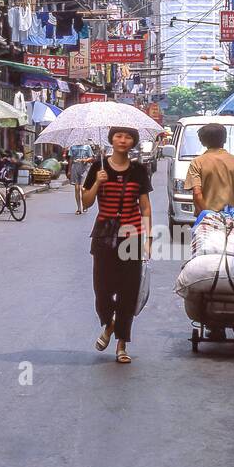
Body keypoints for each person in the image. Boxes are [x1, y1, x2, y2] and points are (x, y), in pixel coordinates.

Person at [81, 128, 152, 365]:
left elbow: (145, 207)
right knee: (102, 291)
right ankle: (109, 325)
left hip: (131, 235)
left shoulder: (139, 170)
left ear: (133, 142)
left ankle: (122, 344)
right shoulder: (98, 168)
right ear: (111, 139)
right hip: (103, 234)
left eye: (128, 136)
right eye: (118, 136)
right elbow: (86, 202)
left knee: (127, 292)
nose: (123, 140)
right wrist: (96, 184)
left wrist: (149, 238)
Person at [185, 123, 234, 215]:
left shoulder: (196, 163)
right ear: (225, 139)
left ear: (202, 141)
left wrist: (208, 216)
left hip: (206, 219)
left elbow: (197, 194)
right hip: (232, 217)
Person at [68, 143, 94, 213]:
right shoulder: (72, 147)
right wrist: (69, 170)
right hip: (75, 167)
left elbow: (91, 158)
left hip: (85, 168)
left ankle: (85, 205)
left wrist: (85, 160)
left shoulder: (87, 146)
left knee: (83, 188)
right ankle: (79, 208)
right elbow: (70, 159)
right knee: (77, 188)